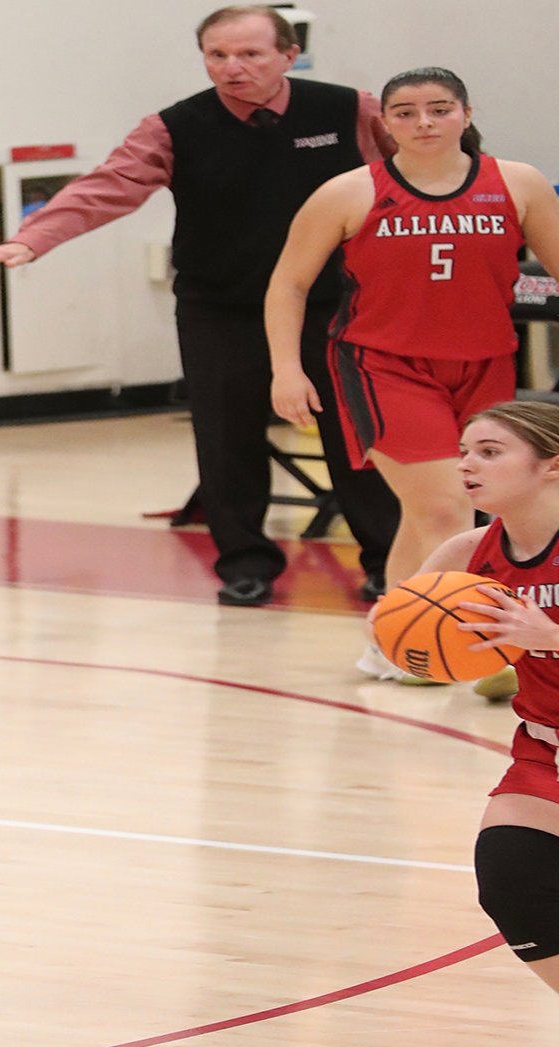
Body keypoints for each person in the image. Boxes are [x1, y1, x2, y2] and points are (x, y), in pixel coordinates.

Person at [0, 5, 401, 609]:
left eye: (249, 54)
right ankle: (245, 565)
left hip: (336, 301)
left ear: (290, 55)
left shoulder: (350, 108)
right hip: (223, 306)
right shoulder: (175, 126)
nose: (231, 68)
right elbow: (108, 185)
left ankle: (387, 562)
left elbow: (420, 169)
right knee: (226, 437)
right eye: (217, 55)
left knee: (354, 433)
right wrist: (33, 237)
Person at [266, 67, 559, 693]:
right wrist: (287, 369)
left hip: (487, 363)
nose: (423, 123)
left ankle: (394, 637)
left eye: (438, 108)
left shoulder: (518, 183)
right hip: (385, 365)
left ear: (466, 112)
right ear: (385, 123)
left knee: (449, 511)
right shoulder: (348, 192)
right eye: (404, 112)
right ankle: (467, 645)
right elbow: (288, 283)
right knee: (443, 505)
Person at [407, 401, 559, 1000]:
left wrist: (551, 638)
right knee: (512, 881)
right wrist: (403, 632)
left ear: (551, 466)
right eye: (465, 451)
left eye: (491, 452)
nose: (468, 464)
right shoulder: (468, 555)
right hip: (545, 752)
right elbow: (407, 630)